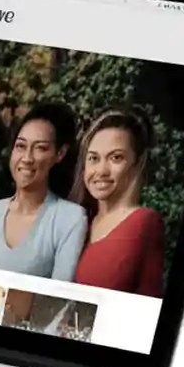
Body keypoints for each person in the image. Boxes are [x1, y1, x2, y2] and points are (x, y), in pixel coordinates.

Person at [0, 102, 88, 281]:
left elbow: (58, 298)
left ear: (59, 154)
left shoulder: (70, 218)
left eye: (40, 148)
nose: (27, 158)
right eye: (21, 146)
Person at [69, 109, 166, 297]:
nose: (101, 170)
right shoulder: (79, 219)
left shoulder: (144, 222)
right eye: (94, 158)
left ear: (137, 164)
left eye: (116, 158)